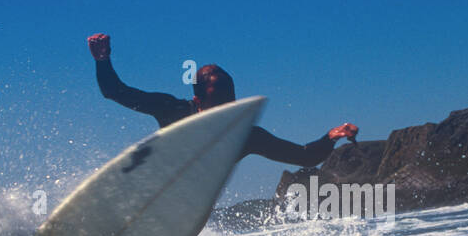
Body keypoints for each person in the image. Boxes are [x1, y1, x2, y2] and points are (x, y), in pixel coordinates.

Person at [88, 34, 357, 166]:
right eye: (220, 101)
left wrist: (331, 136)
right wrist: (102, 61)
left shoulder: (245, 135)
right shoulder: (172, 109)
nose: (228, 108)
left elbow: (305, 157)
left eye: (232, 100)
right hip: (151, 179)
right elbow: (116, 92)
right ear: (198, 99)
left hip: (188, 203)